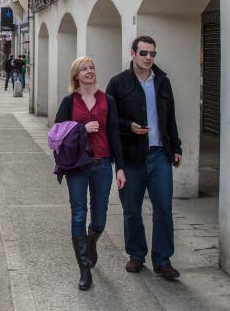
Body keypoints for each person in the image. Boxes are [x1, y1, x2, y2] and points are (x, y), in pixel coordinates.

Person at [106, 35, 183, 280]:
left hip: (160, 154)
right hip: (131, 156)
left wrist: (176, 146)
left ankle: (162, 260)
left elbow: (170, 117)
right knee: (131, 208)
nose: (149, 58)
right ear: (133, 54)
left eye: (152, 54)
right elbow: (110, 121)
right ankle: (136, 255)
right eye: (144, 53)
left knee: (163, 208)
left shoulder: (162, 82)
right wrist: (129, 126)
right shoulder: (118, 84)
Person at [54, 57, 125, 290]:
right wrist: (81, 129)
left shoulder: (108, 101)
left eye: (92, 68)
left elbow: (114, 134)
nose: (89, 71)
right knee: (78, 214)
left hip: (103, 164)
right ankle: (84, 270)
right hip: (77, 165)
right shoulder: (69, 102)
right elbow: (57, 134)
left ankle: (91, 240)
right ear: (76, 75)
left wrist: (120, 168)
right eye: (84, 69)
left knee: (100, 217)